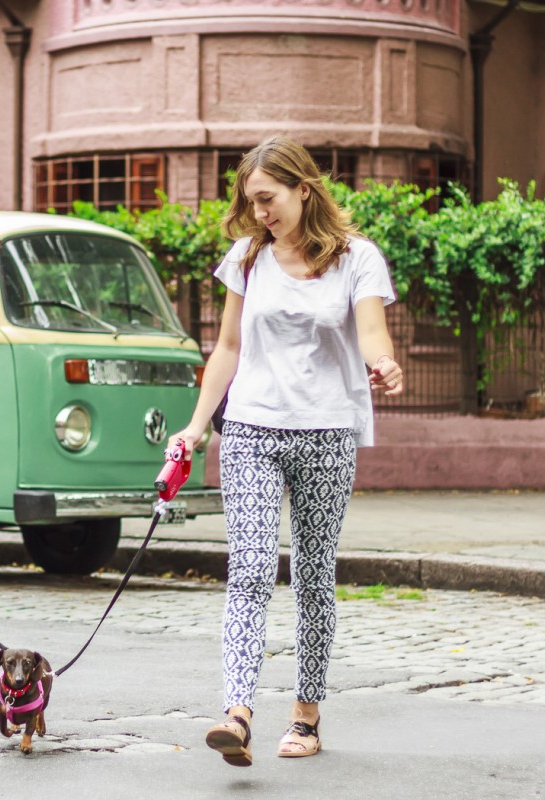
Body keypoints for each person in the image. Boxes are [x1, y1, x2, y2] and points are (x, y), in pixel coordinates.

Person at [169, 135, 404, 767]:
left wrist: (383, 364)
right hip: (251, 428)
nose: (260, 213)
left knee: (312, 576)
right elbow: (227, 349)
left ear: (305, 189)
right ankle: (238, 713)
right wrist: (197, 427)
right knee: (248, 569)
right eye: (252, 202)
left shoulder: (358, 258)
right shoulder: (247, 258)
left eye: (269, 199)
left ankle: (305, 714)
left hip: (327, 431)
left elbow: (371, 330)